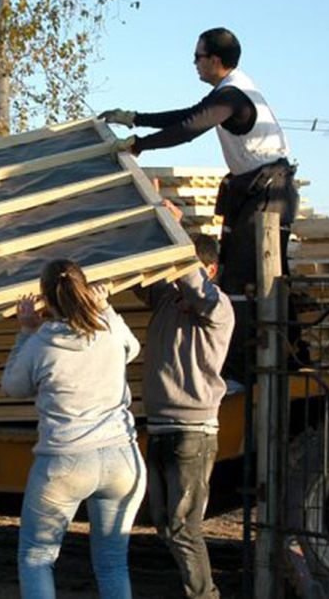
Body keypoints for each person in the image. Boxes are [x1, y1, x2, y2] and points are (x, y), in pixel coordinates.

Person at [98, 27, 299, 295]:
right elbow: (189, 115)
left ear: (214, 60)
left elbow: (189, 128)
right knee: (235, 268)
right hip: (255, 188)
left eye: (197, 57)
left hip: (268, 192)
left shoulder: (232, 95)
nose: (194, 63)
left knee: (245, 277)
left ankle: (254, 323)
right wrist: (135, 118)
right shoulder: (229, 89)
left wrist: (140, 144)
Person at [1, 260, 145, 599]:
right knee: (113, 564)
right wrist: (105, 307)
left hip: (65, 461)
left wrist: (26, 331)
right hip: (122, 458)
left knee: (37, 558)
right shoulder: (108, 327)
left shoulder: (41, 343)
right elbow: (133, 349)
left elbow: (13, 386)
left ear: (45, 299)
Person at [134, 232, 234, 599]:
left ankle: (204, 595)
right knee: (164, 523)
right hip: (161, 427)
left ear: (211, 270)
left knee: (183, 526)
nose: (177, 278)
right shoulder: (167, 299)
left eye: (184, 269)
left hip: (192, 431)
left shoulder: (218, 308)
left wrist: (176, 234)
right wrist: (153, 224)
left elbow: (194, 284)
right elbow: (140, 273)